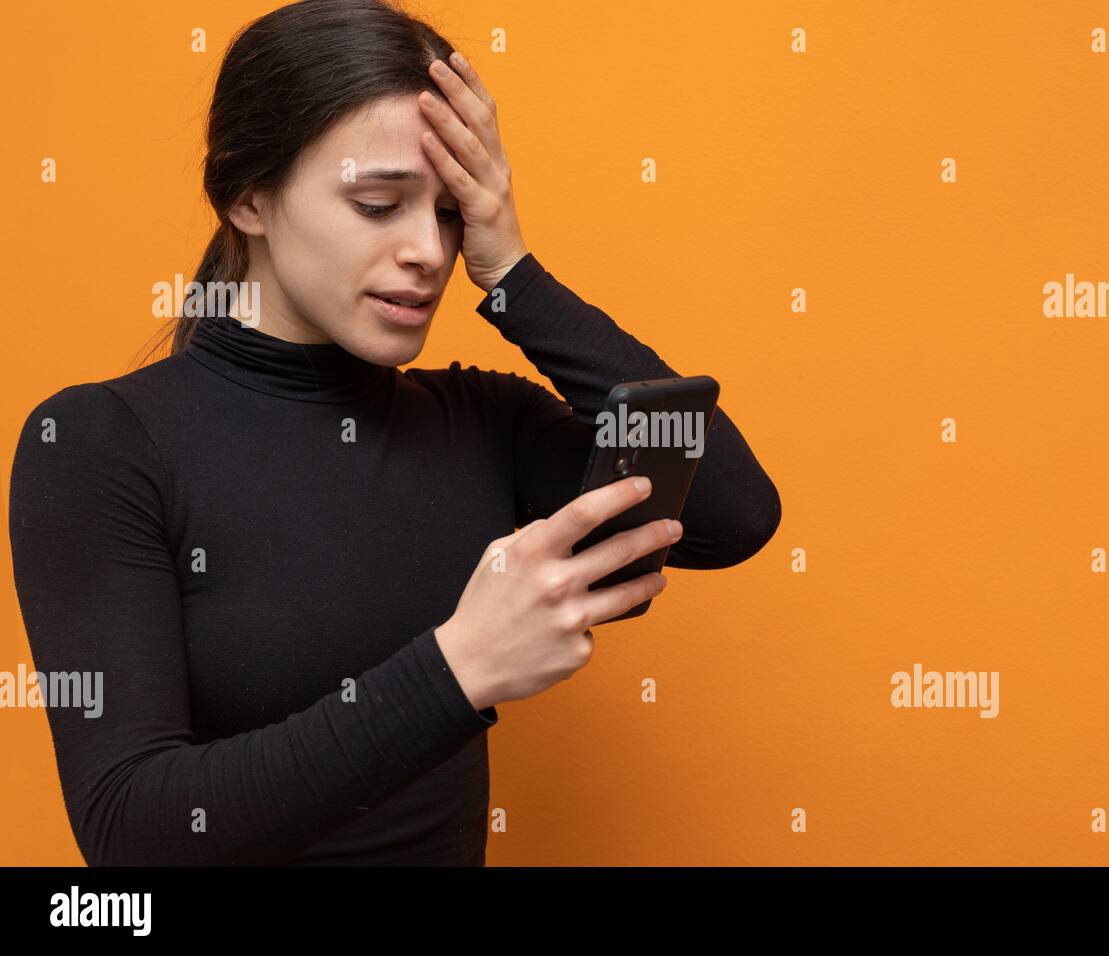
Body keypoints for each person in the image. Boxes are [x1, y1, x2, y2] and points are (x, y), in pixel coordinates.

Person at [7, 0, 780, 866]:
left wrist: (513, 273)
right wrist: (456, 673)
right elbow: (134, 833)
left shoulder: (480, 423)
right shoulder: (99, 444)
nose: (429, 250)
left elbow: (733, 514)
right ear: (247, 198)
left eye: (452, 213)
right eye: (380, 204)